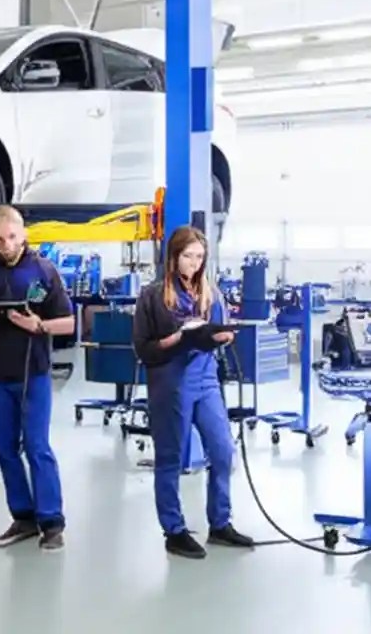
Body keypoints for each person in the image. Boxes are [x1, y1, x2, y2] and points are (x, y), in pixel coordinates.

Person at [131, 225, 255, 559]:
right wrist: (176, 338)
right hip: (171, 383)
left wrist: (224, 336)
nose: (194, 264)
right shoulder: (153, 296)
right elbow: (143, 349)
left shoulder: (210, 293)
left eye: (199, 258)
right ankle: (174, 530)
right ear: (173, 257)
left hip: (206, 380)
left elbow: (219, 330)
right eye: (188, 256)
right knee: (171, 457)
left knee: (223, 450)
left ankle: (220, 523)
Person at [0, 205, 75, 551]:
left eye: (12, 237)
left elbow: (71, 323)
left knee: (37, 446)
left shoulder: (43, 271)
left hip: (33, 374)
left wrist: (40, 325)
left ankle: (52, 521)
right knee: (5, 450)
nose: (6, 245)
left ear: (23, 233)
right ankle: (23, 516)